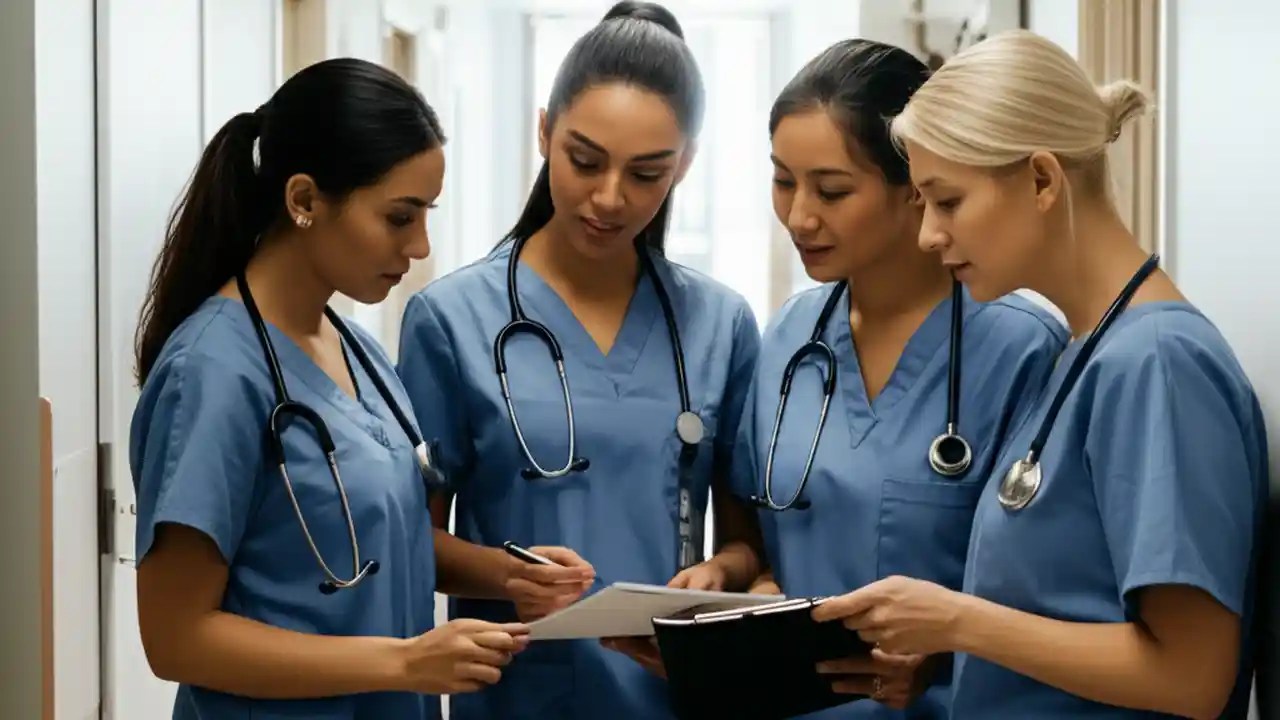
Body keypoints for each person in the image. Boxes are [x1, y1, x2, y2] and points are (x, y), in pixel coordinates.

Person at [813, 29, 1269, 719]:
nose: (929, 234)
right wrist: (948, 658)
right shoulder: (1085, 352)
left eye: (948, 200)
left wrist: (959, 622)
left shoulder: (1159, 364)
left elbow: (1191, 676)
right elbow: (1073, 612)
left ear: (1041, 180)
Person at [610, 38, 1069, 717]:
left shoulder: (1022, 346)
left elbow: (1051, 589)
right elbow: (767, 549)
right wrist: (733, 595)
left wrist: (940, 656)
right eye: (782, 180)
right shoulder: (791, 337)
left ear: (915, 187)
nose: (799, 216)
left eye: (831, 190)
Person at [128, 58, 527, 720]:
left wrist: (509, 575)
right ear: (305, 200)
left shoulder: (359, 352)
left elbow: (372, 541)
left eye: (426, 213)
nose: (422, 245)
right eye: (400, 217)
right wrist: (405, 663)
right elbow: (176, 638)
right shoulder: (214, 374)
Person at [395, 2, 762, 718]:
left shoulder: (721, 324)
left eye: (647, 174)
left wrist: (722, 571)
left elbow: (748, 546)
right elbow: (409, 540)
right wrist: (509, 574)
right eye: (585, 160)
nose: (609, 197)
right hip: (519, 695)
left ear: (684, 164)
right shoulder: (452, 319)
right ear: (544, 132)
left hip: (674, 694)